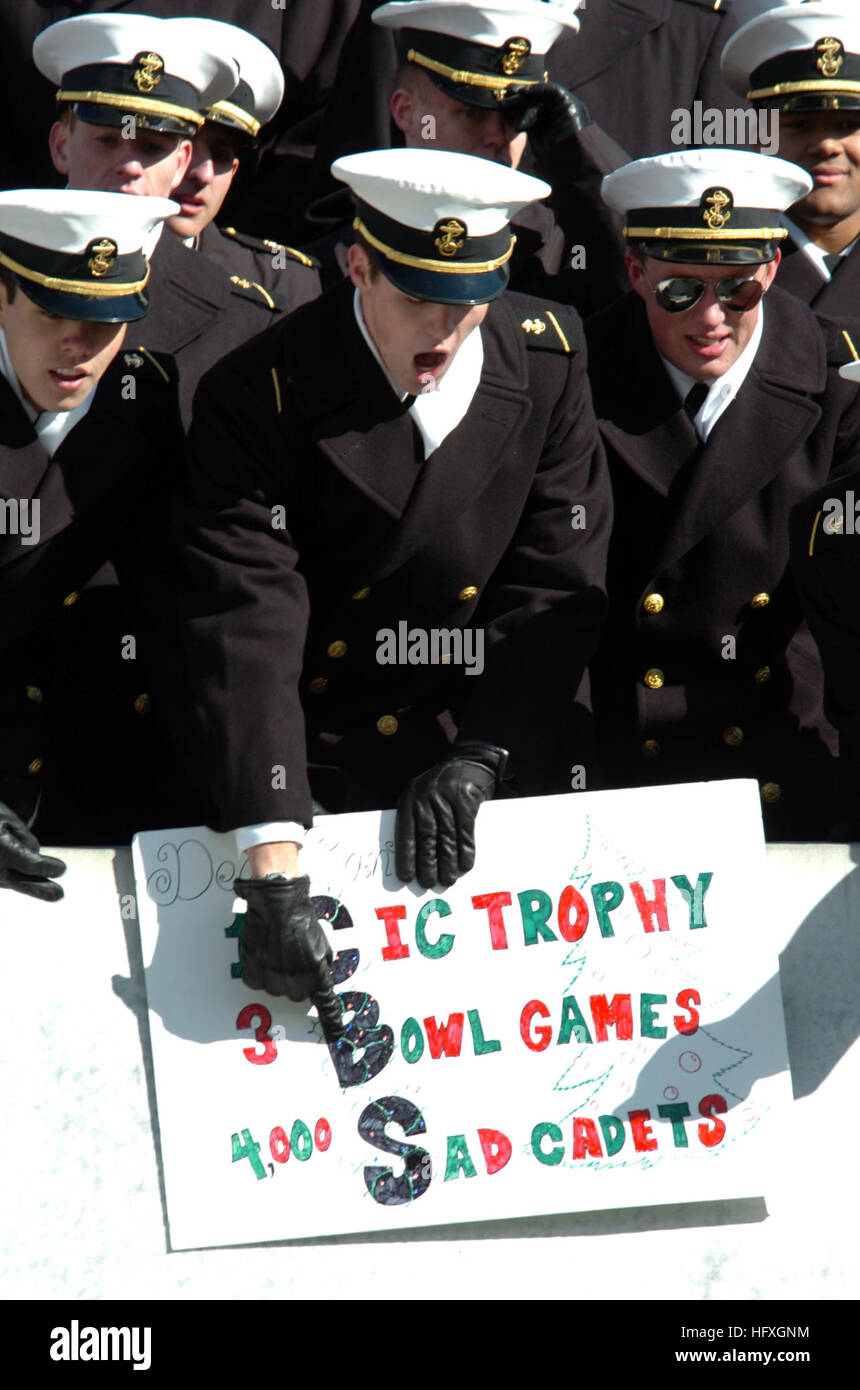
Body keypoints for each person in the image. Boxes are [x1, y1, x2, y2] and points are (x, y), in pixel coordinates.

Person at [177, 147, 611, 1005]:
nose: (445, 330)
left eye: (472, 299)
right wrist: (272, 866)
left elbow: (556, 587)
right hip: (306, 751)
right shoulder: (261, 390)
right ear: (358, 266)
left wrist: (485, 756)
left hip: (459, 748)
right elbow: (246, 615)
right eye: (416, 298)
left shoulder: (549, 363)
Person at [585, 147, 860, 839]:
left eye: (738, 289)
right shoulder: (576, 377)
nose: (711, 318)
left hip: (777, 757)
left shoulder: (841, 386)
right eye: (681, 290)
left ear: (772, 268)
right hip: (613, 764)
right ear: (635, 270)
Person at [0, 188, 194, 902]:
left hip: (82, 761)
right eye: (54, 313)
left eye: (106, 320)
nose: (79, 348)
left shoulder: (138, 399)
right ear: (0, 294)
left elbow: (173, 604)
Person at [33, 13, 313, 423]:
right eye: (107, 140)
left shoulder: (244, 320)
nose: (129, 166)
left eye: (151, 146)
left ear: (179, 163)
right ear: (61, 146)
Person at [301, 0, 629, 312]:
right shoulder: (345, 257)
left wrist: (579, 148)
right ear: (406, 112)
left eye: (516, 117)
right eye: (472, 113)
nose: (497, 136)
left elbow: (642, 299)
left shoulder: (558, 251)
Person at [160, 18, 320, 301]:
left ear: (235, 170)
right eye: (182, 146)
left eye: (221, 155)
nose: (203, 173)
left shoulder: (280, 285)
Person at [722, 1, 860, 314]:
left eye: (847, 125)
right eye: (800, 125)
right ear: (760, 137)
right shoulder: (722, 272)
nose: (826, 146)